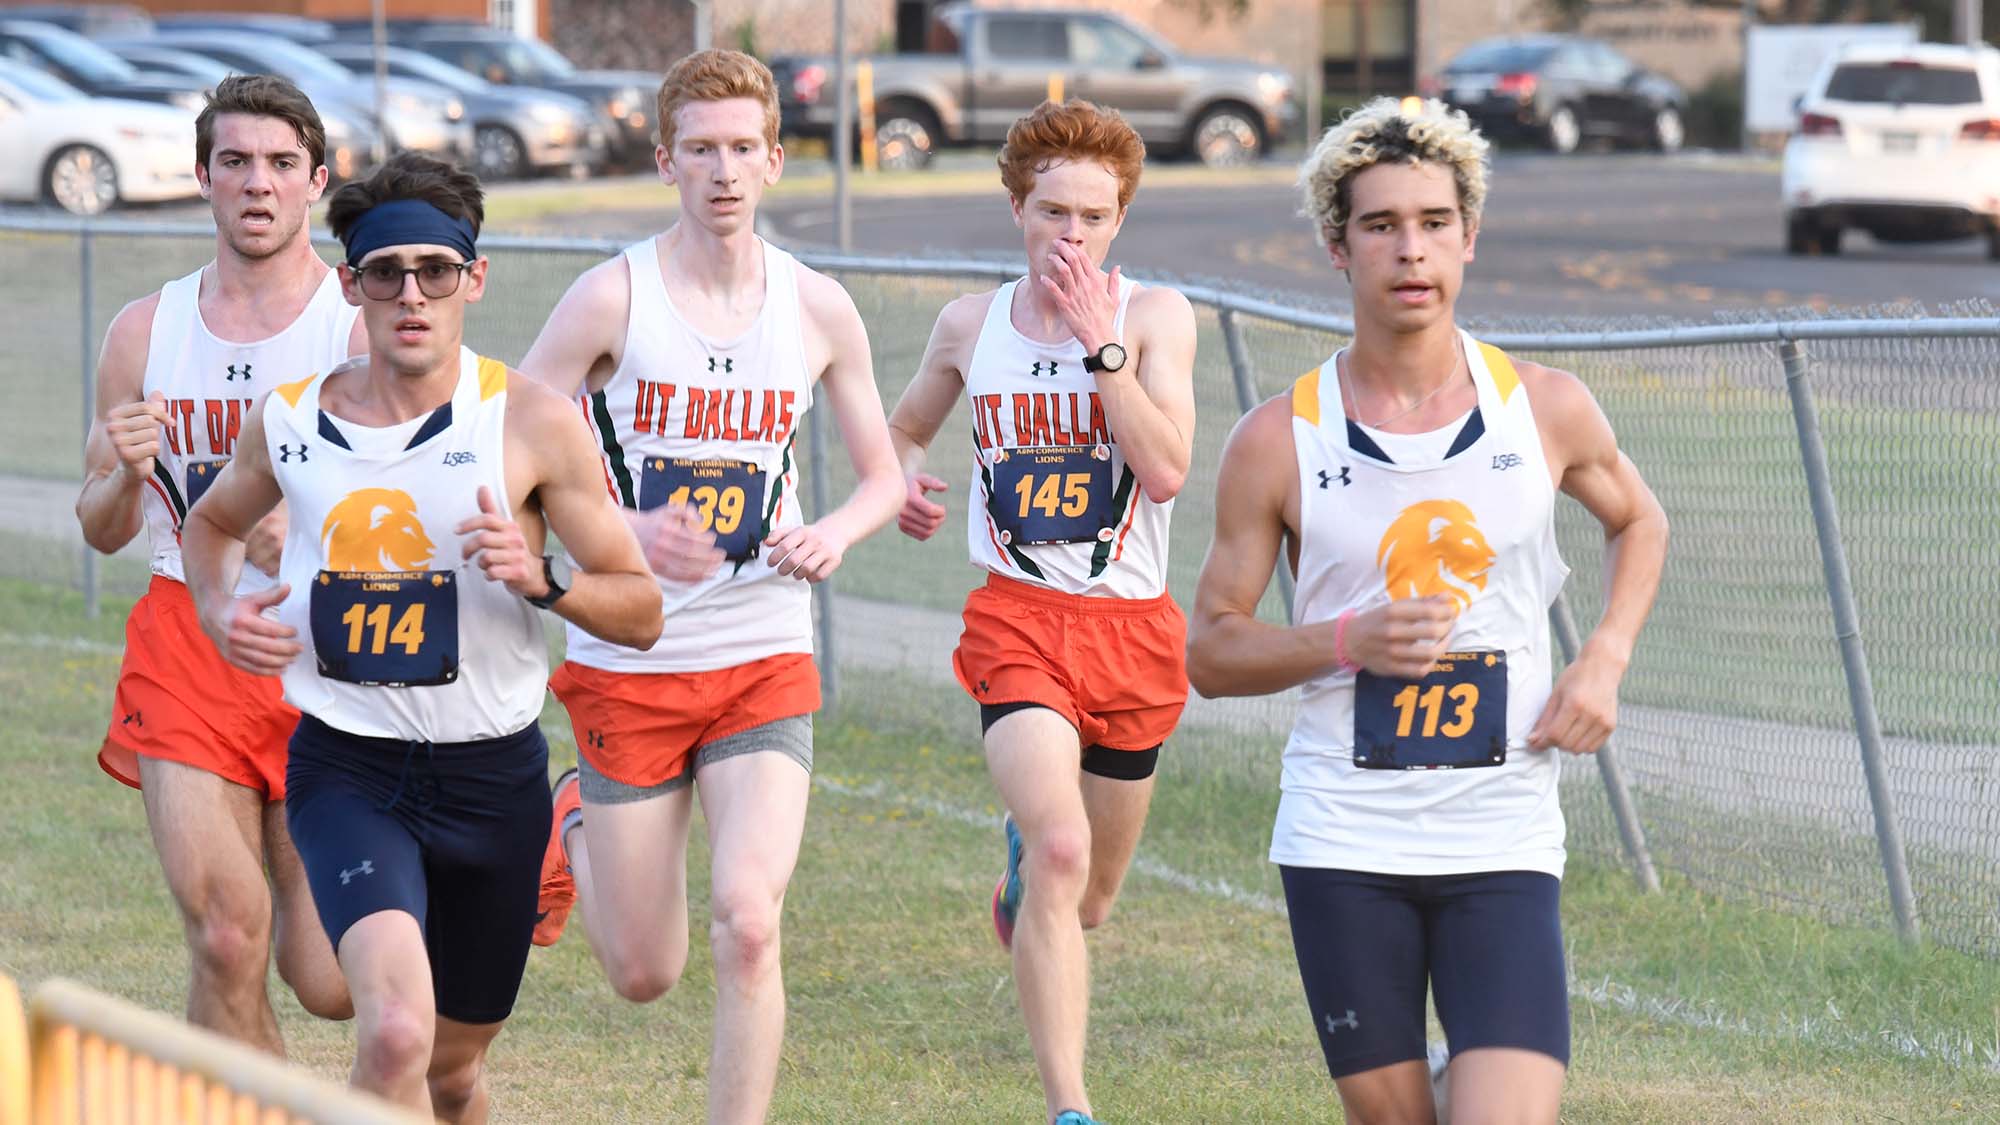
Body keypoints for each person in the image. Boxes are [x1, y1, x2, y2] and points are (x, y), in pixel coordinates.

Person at [1185, 97, 1669, 1124]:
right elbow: (1211, 649)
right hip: (1342, 839)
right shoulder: (1278, 439)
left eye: (1434, 223)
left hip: (1499, 835)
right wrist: (1341, 641)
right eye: (1379, 226)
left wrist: (1603, 660)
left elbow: (1641, 522)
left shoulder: (1542, 407)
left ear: (1468, 238)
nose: (1410, 250)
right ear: (1336, 246)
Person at [181, 151, 663, 1121]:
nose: (411, 293)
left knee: (449, 1075)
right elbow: (211, 524)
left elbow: (640, 609)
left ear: (472, 280)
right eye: (385, 272)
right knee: (393, 1031)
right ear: (349, 283)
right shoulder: (288, 422)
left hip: (493, 783)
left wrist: (542, 581)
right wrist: (216, 612)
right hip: (350, 769)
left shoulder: (528, 421)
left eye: (435, 271)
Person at [519, 48, 903, 1123]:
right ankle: (576, 825)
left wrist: (831, 532)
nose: (723, 171)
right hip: (632, 653)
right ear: (664, 161)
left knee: (746, 917)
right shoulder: (609, 299)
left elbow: (884, 474)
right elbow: (508, 450)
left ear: (776, 160)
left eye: (743, 148)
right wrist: (625, 528)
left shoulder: (818, 307)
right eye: (700, 150)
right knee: (642, 974)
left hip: (761, 650)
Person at [885, 99, 1197, 1125]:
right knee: (1061, 848)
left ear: (1119, 223)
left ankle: (1025, 882)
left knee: (1087, 898)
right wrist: (903, 480)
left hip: (1133, 636)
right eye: (1051, 210)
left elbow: (1162, 474)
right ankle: (1069, 1109)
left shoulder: (1154, 318)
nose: (1070, 234)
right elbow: (906, 426)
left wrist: (1103, 350)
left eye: (1093, 217)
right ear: (1016, 207)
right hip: (1017, 622)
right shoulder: (969, 326)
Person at [75, 73, 367, 1052]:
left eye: (282, 165)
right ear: (202, 177)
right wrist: (120, 473)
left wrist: (314, 525)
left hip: (327, 659)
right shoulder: (144, 330)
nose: (258, 183)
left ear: (316, 181)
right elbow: (101, 525)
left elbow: (428, 505)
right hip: (186, 643)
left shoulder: (356, 326)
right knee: (228, 935)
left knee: (331, 979)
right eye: (235, 162)